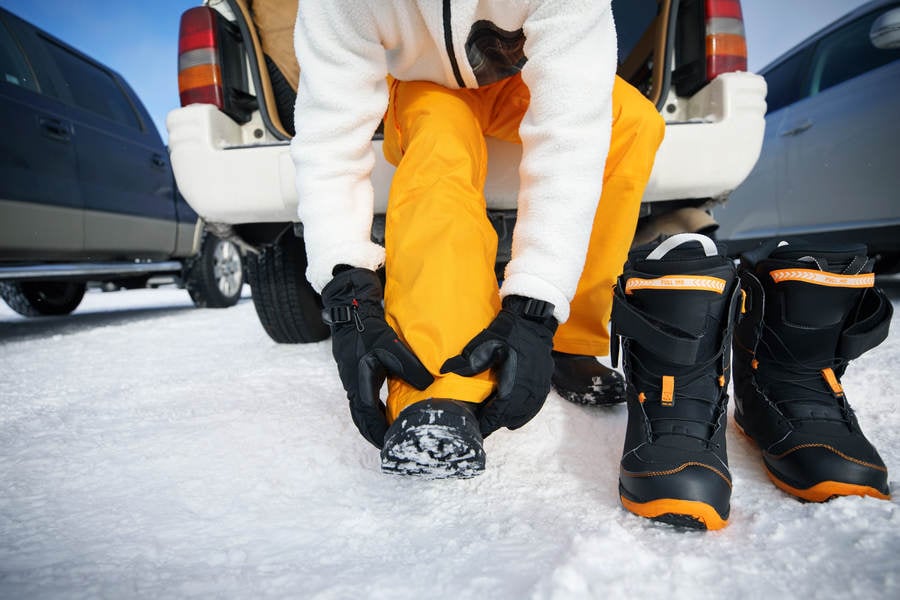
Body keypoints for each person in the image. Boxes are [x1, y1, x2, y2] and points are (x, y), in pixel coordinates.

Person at [288, 0, 664, 478]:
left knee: (631, 123)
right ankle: (440, 387)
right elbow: (328, 140)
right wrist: (347, 294)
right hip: (420, 84)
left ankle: (570, 340)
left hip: (516, 81)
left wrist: (536, 306)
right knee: (440, 151)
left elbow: (572, 131)